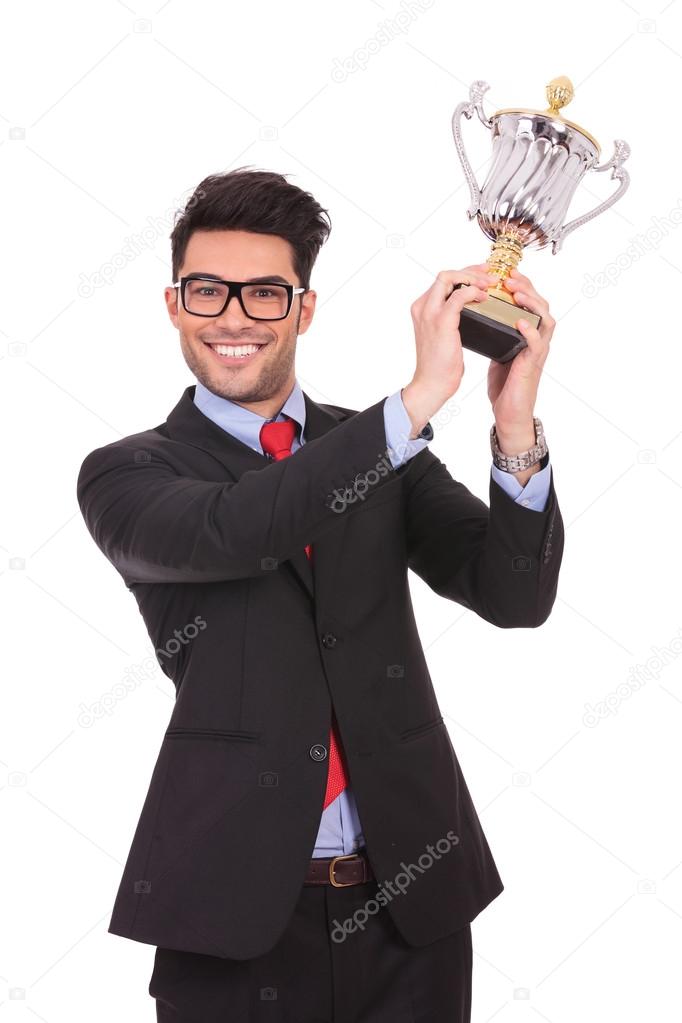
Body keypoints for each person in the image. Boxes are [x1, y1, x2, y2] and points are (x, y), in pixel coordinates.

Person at [76, 166, 563, 1022]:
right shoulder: (128, 474)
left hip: (415, 907)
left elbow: (512, 593)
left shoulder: (376, 445)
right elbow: (239, 527)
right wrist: (413, 401)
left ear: (302, 309)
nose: (233, 316)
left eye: (265, 293)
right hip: (231, 918)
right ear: (173, 304)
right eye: (207, 291)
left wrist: (514, 424)